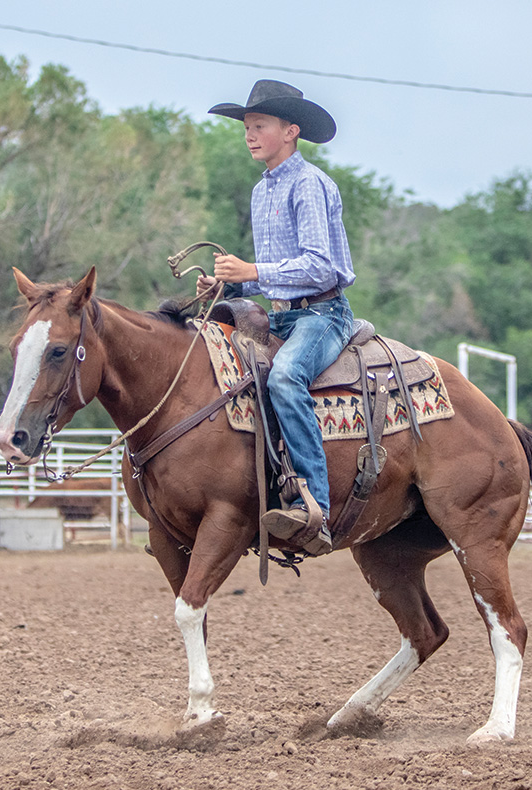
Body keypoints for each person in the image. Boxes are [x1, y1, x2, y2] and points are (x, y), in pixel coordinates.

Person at [198, 79, 356, 555]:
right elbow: (274, 277)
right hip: (281, 316)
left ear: (290, 131)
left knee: (285, 377)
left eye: (259, 125)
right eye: (246, 126)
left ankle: (316, 508)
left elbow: (320, 266)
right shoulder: (260, 190)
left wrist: (252, 270)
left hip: (322, 315)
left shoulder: (309, 185)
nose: (249, 134)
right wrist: (231, 285)